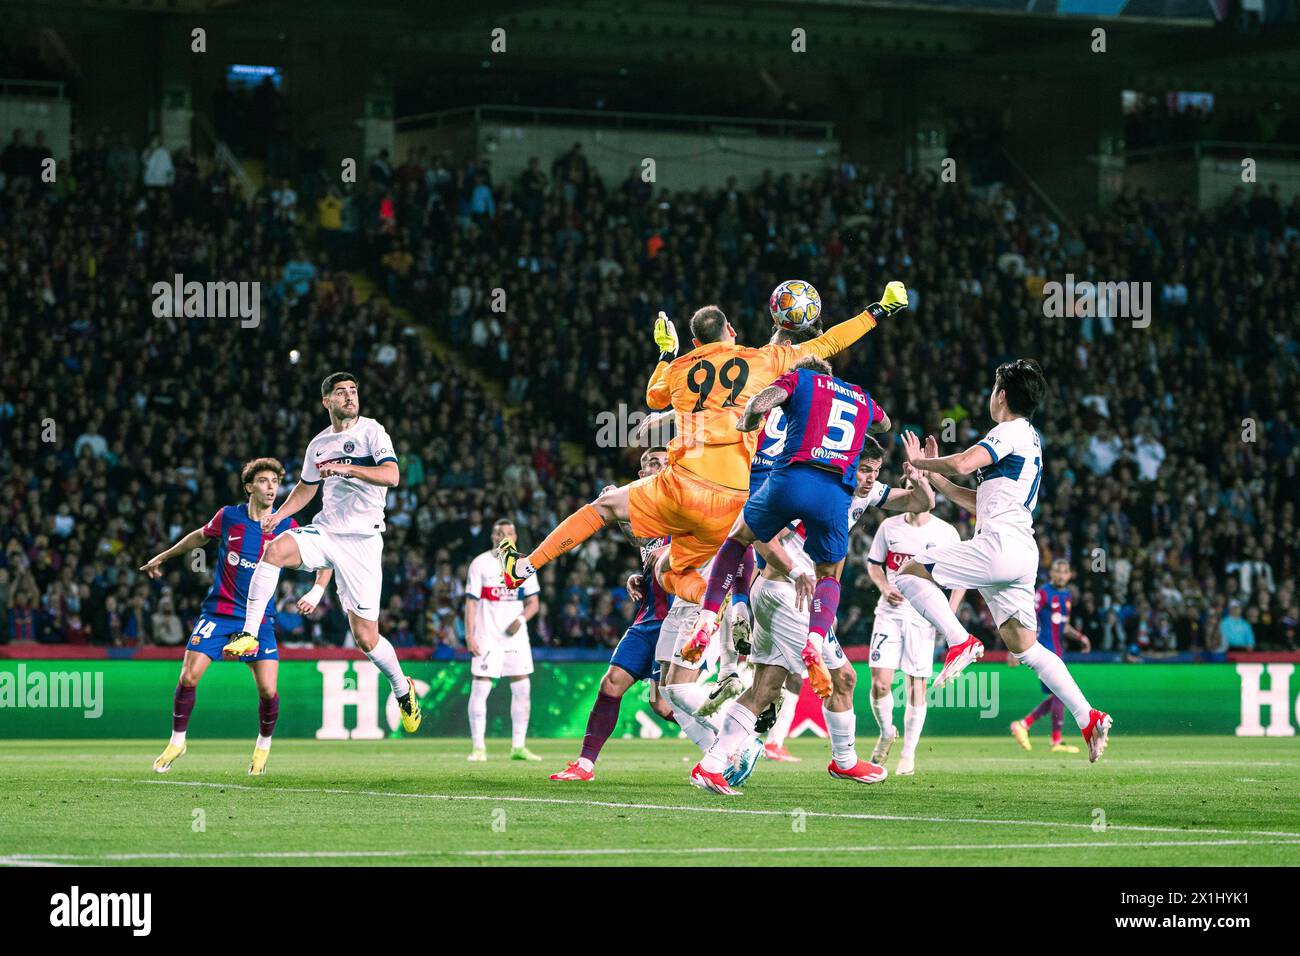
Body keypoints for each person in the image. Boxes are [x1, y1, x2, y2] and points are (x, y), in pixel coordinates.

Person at [496, 283, 909, 605]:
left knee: (612, 517)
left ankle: (525, 566)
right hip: (733, 501)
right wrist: (879, 309)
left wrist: (665, 352)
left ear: (697, 343)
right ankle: (728, 607)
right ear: (730, 332)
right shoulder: (762, 360)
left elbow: (653, 397)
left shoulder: (679, 368)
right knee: (677, 566)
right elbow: (827, 344)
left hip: (681, 485)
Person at [685, 356, 891, 794]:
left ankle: (712, 763)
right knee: (844, 676)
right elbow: (886, 423)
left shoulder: (796, 393)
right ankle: (845, 760)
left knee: (765, 685)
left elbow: (766, 400)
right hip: (791, 583)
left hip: (772, 556)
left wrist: (750, 416)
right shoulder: (857, 405)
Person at [896, 359, 1112, 762]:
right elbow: (977, 499)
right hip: (1018, 552)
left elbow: (962, 463)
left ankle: (960, 641)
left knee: (907, 572)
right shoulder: (1029, 438)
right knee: (1024, 645)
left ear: (1002, 395)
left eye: (994, 389)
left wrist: (924, 462)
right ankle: (1088, 716)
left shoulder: (1008, 430)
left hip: (999, 546)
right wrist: (933, 480)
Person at [224, 372, 422, 733]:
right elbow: (306, 487)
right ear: (326, 401)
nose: (350, 397)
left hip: (363, 541)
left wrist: (350, 469)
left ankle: (402, 688)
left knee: (365, 637)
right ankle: (249, 632)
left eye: (353, 391)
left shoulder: (372, 431)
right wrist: (280, 515)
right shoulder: (318, 444)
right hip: (327, 530)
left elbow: (392, 475)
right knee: (275, 550)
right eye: (341, 393)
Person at [139, 458, 331, 775]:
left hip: (259, 622)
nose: (272, 487)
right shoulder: (229, 517)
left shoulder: (288, 526)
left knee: (268, 690)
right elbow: (198, 537)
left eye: (276, 481)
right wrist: (164, 556)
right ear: (249, 487)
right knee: (188, 676)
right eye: (265, 481)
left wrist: (317, 590)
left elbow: (327, 557)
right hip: (220, 612)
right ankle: (177, 741)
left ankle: (262, 748)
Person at [550, 448, 676, 781]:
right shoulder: (648, 515)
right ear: (641, 474)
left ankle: (730, 741)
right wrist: (641, 576)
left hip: (680, 615)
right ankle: (585, 764)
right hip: (650, 614)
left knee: (664, 705)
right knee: (612, 683)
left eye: (666, 463)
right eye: (652, 462)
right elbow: (644, 542)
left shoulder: (684, 503)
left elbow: (706, 547)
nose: (660, 467)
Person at [865, 484, 964, 776]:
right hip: (889, 612)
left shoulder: (946, 533)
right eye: (909, 489)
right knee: (880, 683)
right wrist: (884, 586)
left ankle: (908, 754)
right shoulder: (888, 527)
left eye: (919, 489)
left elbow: (960, 578)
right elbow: (874, 564)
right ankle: (886, 732)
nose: (914, 495)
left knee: (915, 685)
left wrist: (948, 615)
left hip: (923, 617)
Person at [465, 518, 542, 762]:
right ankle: (478, 748)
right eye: (498, 533)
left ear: (515, 537)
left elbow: (534, 603)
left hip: (515, 638)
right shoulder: (480, 564)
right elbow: (471, 601)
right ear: (492, 537)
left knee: (523, 689)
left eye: (508, 533)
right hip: (487, 636)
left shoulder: (523, 564)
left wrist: (520, 619)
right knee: (481, 688)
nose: (502, 536)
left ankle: (518, 747)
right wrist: (469, 635)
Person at [1009, 558, 1091, 753]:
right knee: (1060, 693)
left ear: (1070, 575)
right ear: (1051, 573)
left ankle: (1026, 725)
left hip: (1058, 649)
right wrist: (1016, 648)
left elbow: (1064, 626)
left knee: (1059, 694)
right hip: (1044, 648)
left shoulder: (1067, 596)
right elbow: (1029, 617)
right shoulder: (1044, 593)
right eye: (1057, 571)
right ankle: (1050, 738)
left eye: (1065, 572)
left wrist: (1080, 637)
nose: (1061, 575)